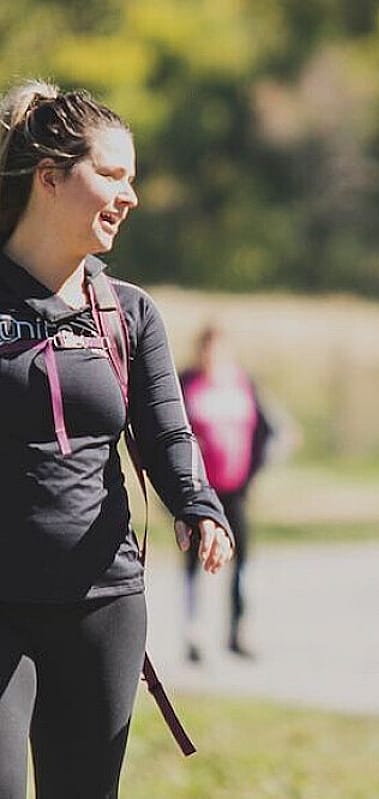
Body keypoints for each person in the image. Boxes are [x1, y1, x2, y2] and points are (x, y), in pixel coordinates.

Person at [0, 81, 234, 796]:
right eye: (111, 173)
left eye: (132, 177)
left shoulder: (128, 312)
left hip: (102, 603)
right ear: (49, 178)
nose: (129, 194)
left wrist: (198, 503)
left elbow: (167, 430)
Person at [179, 323, 275, 662]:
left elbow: (267, 431)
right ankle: (194, 634)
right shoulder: (186, 384)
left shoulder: (242, 384)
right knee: (194, 562)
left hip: (235, 492)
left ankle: (238, 630)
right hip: (199, 494)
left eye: (217, 348)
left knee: (242, 561)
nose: (211, 355)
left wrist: (252, 476)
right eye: (206, 348)